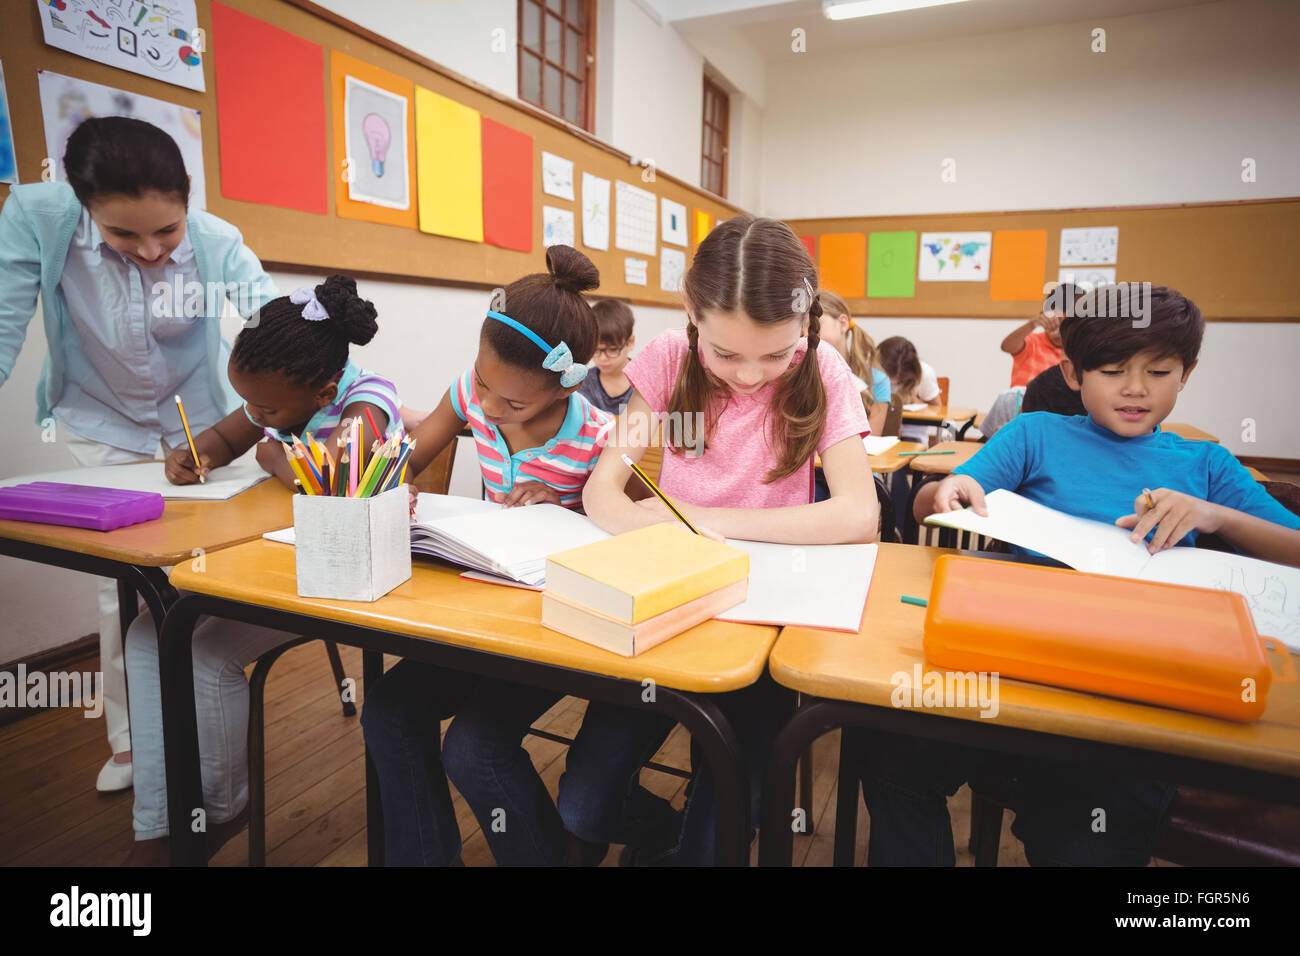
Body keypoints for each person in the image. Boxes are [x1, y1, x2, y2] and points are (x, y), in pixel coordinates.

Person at [862, 284, 1300, 867]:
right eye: (1113, 370)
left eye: (1160, 370)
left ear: (1187, 373)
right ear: (1072, 372)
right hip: (1012, 673)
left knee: (1084, 836)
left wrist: (1215, 514)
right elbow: (927, 507)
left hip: (1133, 700)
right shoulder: (1034, 434)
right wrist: (948, 490)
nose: (1136, 388)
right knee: (892, 752)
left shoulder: (1206, 467)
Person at [579, 214, 878, 864]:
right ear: (691, 312)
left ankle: (692, 839)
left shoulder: (820, 369)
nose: (749, 375)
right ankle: (660, 837)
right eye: (726, 353)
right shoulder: (665, 358)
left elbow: (859, 514)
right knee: (584, 805)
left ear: (805, 324)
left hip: (765, 617)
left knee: (720, 832)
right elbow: (603, 490)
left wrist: (704, 520)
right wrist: (648, 521)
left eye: (775, 353)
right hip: (669, 607)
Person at [362, 247, 673, 866]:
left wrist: (566, 505)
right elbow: (403, 463)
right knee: (389, 711)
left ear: (565, 384)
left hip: (550, 628)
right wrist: (398, 485)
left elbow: (638, 536)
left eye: (514, 403)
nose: (489, 407)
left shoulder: (596, 439)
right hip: (478, 607)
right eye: (482, 382)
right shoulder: (471, 396)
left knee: (474, 748)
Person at [0, 116, 277, 793]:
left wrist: (310, 396)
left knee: (207, 562)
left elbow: (276, 328)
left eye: (167, 230)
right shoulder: (37, 218)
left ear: (188, 200)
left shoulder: (217, 241)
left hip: (205, 424)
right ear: (82, 204)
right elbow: (4, 324)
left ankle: (201, 710)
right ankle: (133, 741)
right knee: (119, 581)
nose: (150, 251)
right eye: (123, 234)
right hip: (101, 421)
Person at [120, 276, 398, 864]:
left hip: (337, 580)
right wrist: (199, 454)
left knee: (202, 653)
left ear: (324, 394)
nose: (255, 414)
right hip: (266, 564)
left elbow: (334, 475)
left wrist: (274, 456)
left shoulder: (368, 402)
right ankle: (159, 818)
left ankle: (221, 811)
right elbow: (227, 436)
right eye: (250, 402)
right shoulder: (275, 397)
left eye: (264, 409)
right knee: (147, 635)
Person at [815, 290, 890, 436]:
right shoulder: (796, 374)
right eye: (801, 328)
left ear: (842, 323)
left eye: (816, 325)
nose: (806, 334)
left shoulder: (876, 380)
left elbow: (871, 439)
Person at [578, 298, 636, 416]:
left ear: (630, 342)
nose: (603, 358)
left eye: (612, 350)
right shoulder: (583, 383)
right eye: (596, 350)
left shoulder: (646, 382)